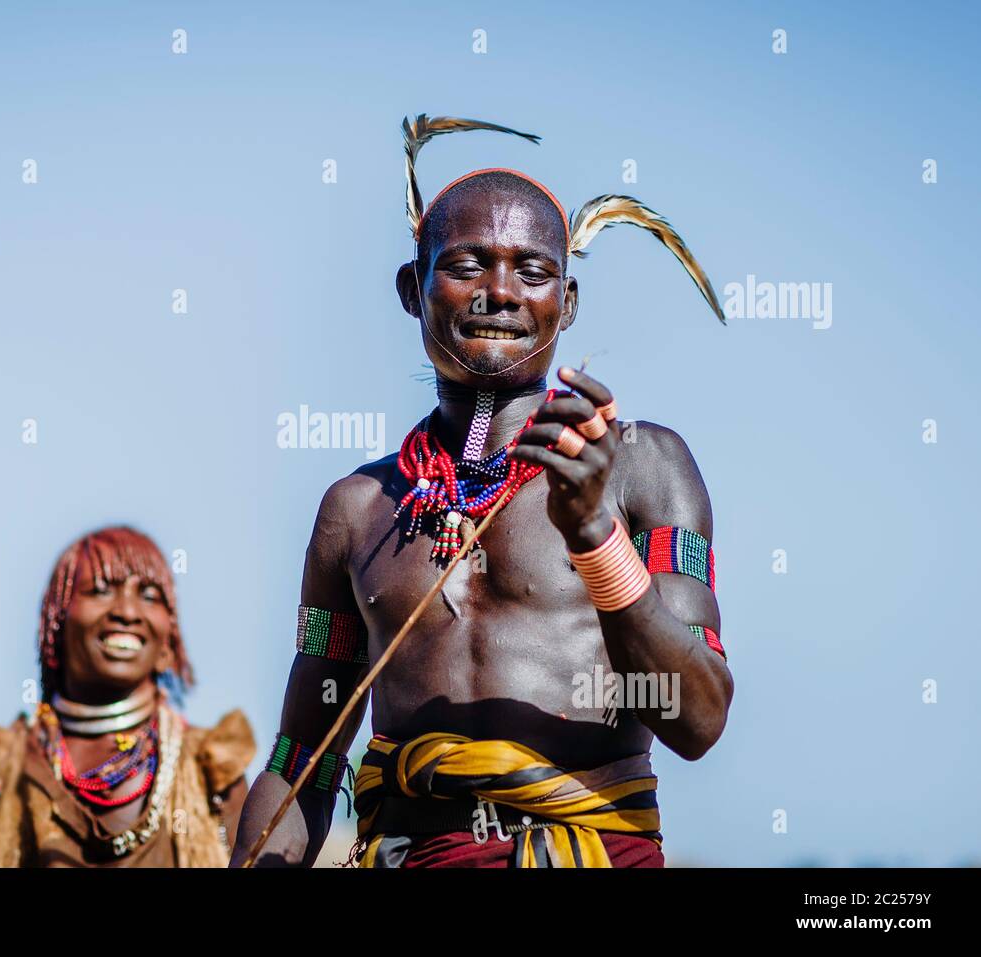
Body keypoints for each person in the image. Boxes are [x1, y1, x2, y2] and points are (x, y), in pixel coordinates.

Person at [231, 115, 733, 868]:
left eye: (531, 272)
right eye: (467, 264)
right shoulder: (355, 509)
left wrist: (596, 536)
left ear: (566, 302)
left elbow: (696, 718)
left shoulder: (645, 466)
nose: (500, 291)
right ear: (413, 289)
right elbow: (304, 754)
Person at [0, 526, 254, 867]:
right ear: (57, 624)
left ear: (167, 643)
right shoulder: (1, 772)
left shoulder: (211, 771)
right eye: (100, 590)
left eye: (148, 595)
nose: (127, 612)